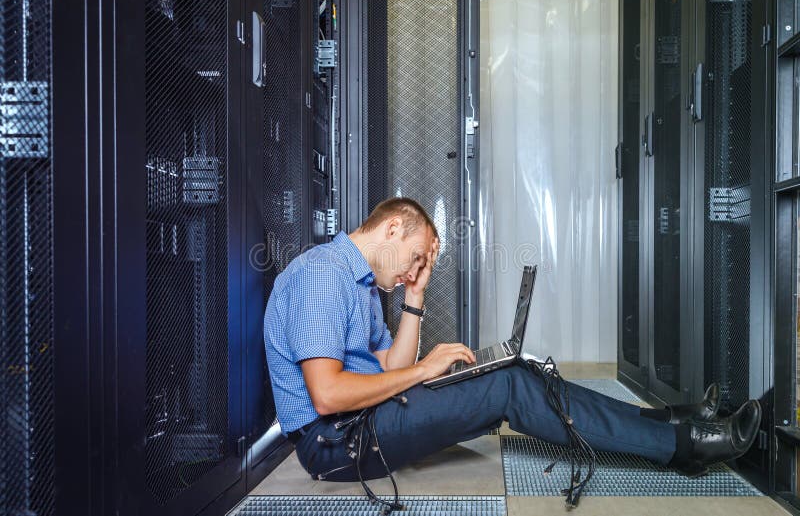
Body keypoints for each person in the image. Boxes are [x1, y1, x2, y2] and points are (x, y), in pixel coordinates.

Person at [263, 197, 761, 498]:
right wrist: (425, 370)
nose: (412, 271)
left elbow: (389, 366)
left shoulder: (363, 285)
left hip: (362, 420)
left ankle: (668, 421)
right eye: (415, 257)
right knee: (508, 385)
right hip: (333, 445)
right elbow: (327, 395)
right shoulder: (324, 274)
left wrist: (415, 298)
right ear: (393, 228)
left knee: (514, 371)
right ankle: (684, 448)